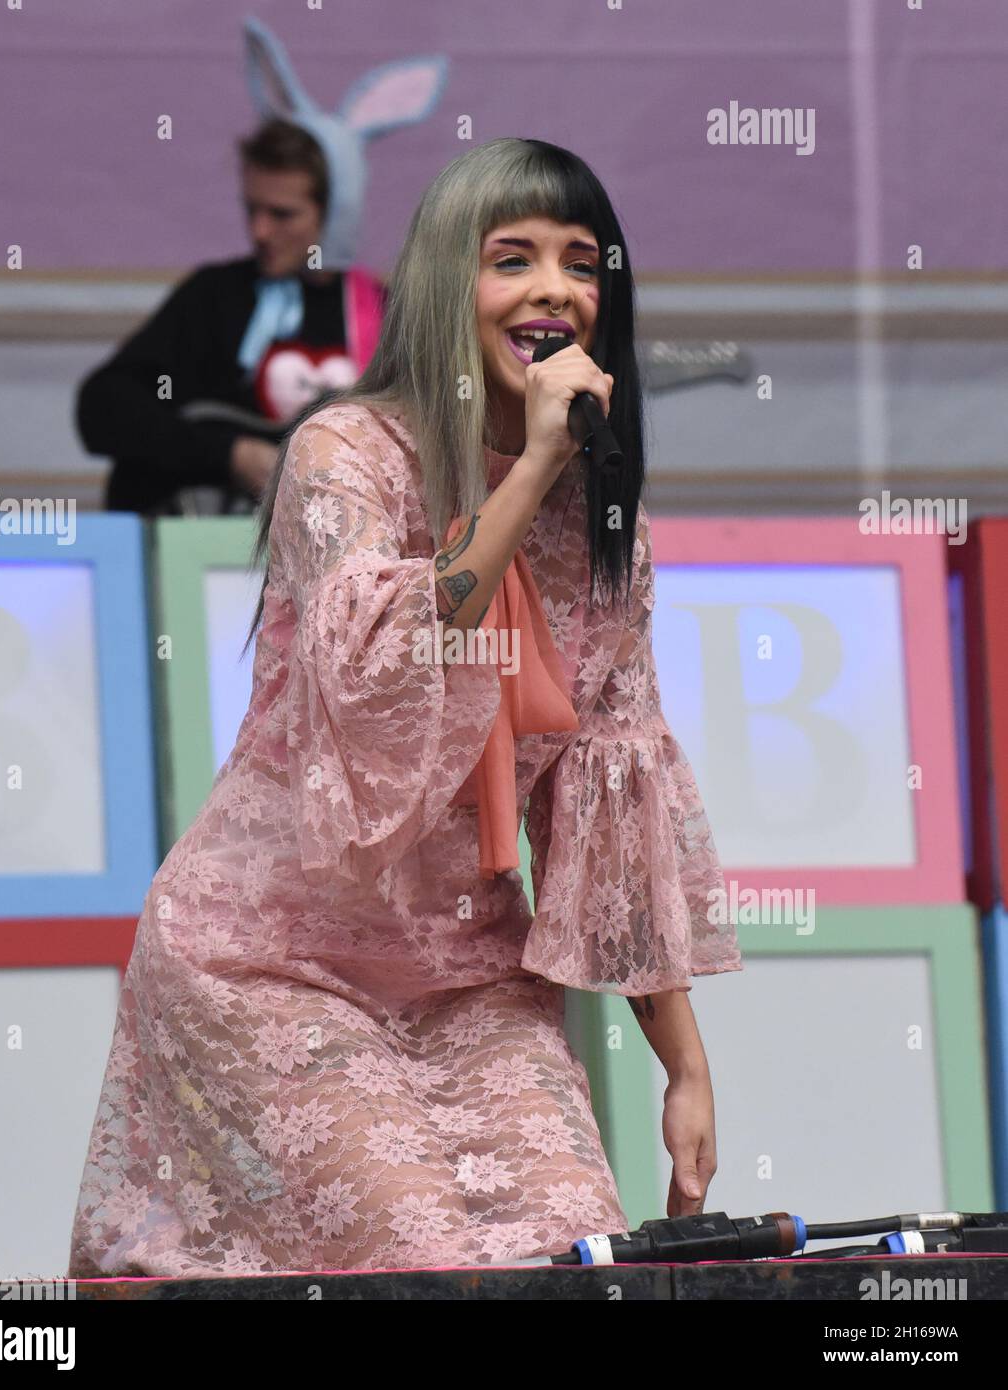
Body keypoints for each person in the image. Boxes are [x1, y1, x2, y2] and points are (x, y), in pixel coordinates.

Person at [67, 137, 742, 1278]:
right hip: (271, 965)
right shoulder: (346, 453)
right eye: (512, 259)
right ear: (443, 284)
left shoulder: (605, 534)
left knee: (567, 1254)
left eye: (581, 264)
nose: (554, 290)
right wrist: (530, 470)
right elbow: (384, 666)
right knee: (424, 1255)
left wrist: (685, 1065)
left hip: (471, 975)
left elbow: (607, 818)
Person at [75, 120, 386, 516]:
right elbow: (102, 406)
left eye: (282, 214)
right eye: (252, 209)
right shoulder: (215, 297)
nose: (260, 231)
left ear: (337, 214)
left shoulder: (382, 311)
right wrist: (230, 455)